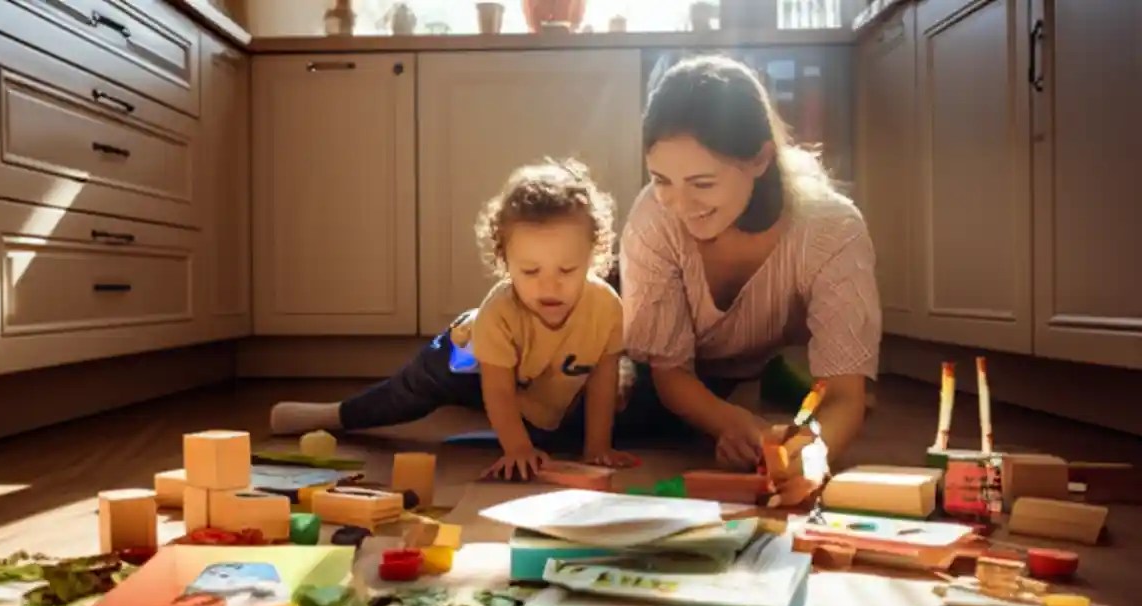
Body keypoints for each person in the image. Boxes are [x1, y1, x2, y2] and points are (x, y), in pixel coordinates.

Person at [270, 159, 637, 480]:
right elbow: (496, 391)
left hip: (531, 380)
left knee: (552, 422)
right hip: (465, 355)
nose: (549, 286)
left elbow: (603, 380)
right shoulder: (500, 311)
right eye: (529, 270)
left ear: (595, 256)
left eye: (567, 269)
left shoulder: (605, 308)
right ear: (505, 263)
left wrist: (597, 448)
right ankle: (333, 415)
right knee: (409, 390)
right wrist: (516, 449)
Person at [617, 54, 881, 500]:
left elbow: (844, 394)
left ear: (760, 159)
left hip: (743, 364)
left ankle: (767, 378)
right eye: (661, 179)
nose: (679, 204)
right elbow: (669, 373)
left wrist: (812, 456)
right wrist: (734, 424)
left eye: (702, 184)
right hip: (650, 357)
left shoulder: (830, 229)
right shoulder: (654, 220)